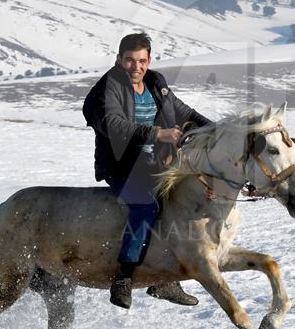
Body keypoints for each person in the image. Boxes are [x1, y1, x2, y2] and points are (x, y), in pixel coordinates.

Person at [83, 33, 212, 309]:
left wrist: (217, 131)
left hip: (156, 164)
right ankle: (123, 278)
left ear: (149, 60)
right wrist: (158, 133)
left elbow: (184, 112)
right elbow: (115, 126)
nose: (136, 67)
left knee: (186, 198)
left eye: (141, 61)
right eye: (129, 60)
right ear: (119, 60)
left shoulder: (155, 83)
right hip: (120, 165)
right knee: (146, 206)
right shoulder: (108, 88)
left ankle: (164, 280)